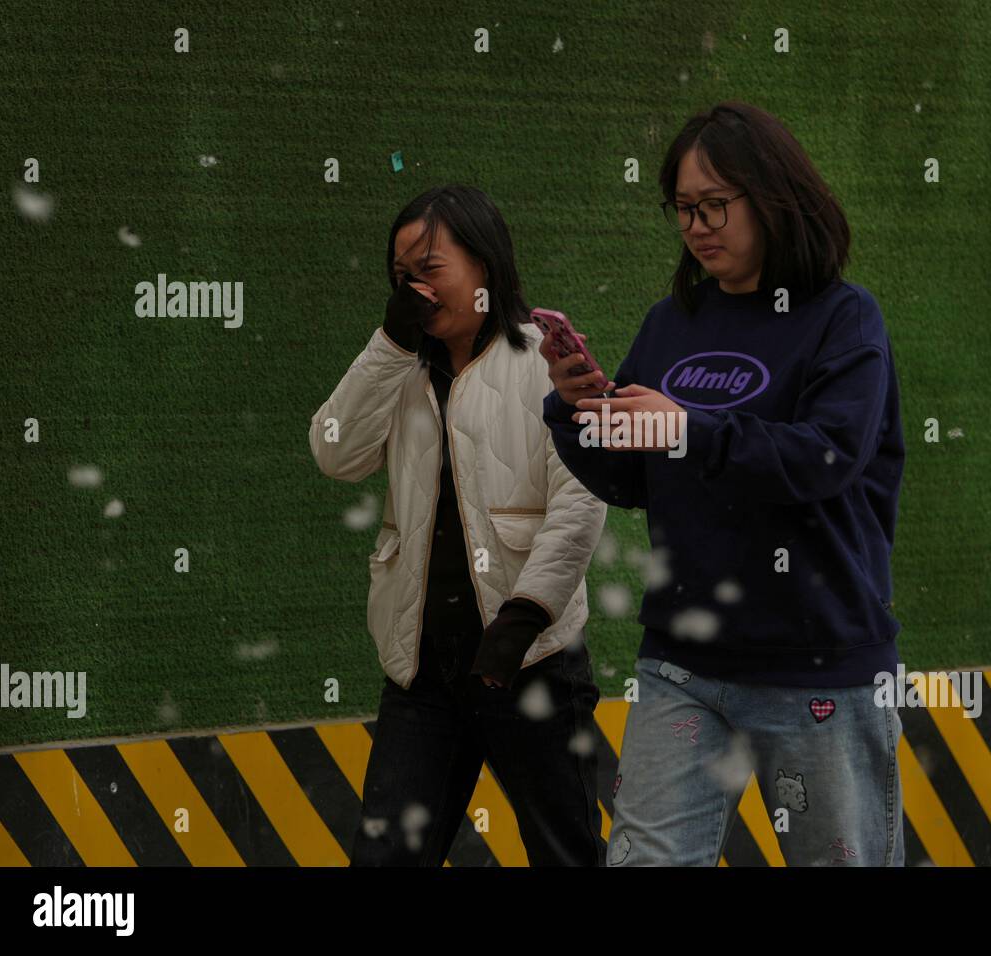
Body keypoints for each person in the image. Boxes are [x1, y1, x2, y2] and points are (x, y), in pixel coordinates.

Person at [540, 102, 907, 866]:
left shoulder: (845, 320)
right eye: (683, 209)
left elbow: (824, 459)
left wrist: (686, 428)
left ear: (773, 197)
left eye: (714, 205)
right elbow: (632, 480)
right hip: (681, 665)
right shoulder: (671, 322)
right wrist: (578, 411)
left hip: (817, 668)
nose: (697, 227)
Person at [309, 185, 607, 866]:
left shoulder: (544, 362)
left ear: (485, 266)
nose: (415, 289)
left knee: (567, 856)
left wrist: (525, 616)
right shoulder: (397, 367)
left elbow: (582, 497)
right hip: (423, 673)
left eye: (430, 269)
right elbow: (334, 452)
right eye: (401, 276)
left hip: (531, 663)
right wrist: (390, 342)